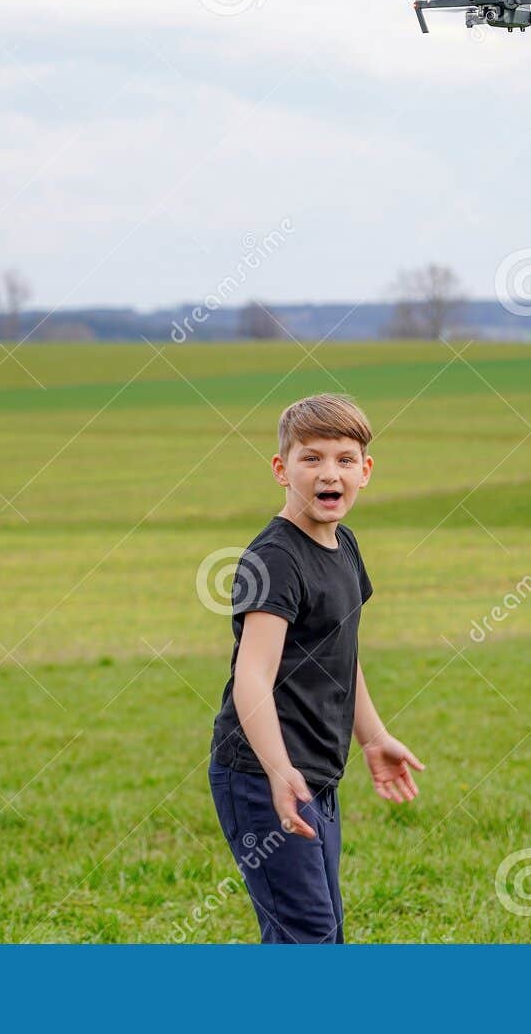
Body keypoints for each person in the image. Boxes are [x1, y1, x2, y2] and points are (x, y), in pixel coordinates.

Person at [207, 392, 425, 943]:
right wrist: (280, 773)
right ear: (282, 469)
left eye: (345, 459)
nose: (330, 472)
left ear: (365, 471)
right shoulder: (275, 559)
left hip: (314, 775)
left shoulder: (343, 545)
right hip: (262, 775)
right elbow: (252, 676)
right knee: (306, 936)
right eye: (312, 458)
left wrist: (373, 737)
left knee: (321, 933)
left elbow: (340, 656)